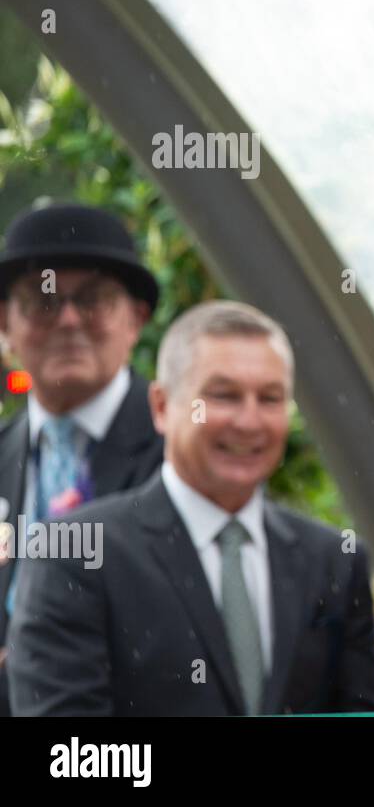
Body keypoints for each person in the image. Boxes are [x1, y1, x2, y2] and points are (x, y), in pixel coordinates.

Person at [6, 300, 374, 715]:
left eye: (270, 398)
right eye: (223, 396)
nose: (249, 421)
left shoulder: (333, 560)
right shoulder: (73, 554)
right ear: (161, 406)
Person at [0, 203, 165, 715]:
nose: (68, 319)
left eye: (92, 299)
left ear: (135, 318)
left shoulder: (186, 456)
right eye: (42, 301)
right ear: (5, 322)